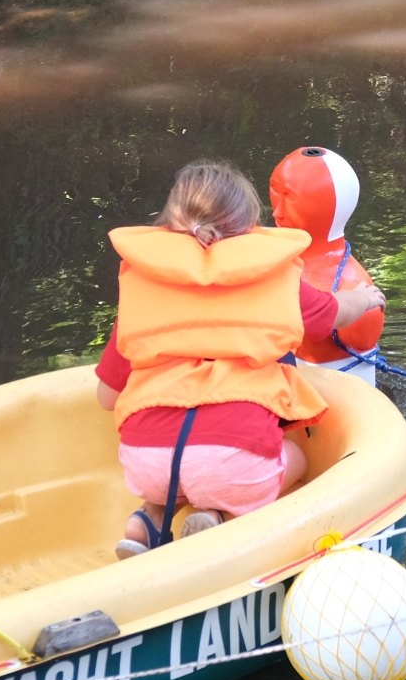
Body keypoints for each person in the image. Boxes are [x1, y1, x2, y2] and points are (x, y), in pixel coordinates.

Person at [96, 160, 387, 557]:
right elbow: (332, 312)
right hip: (235, 461)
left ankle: (146, 521)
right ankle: (221, 516)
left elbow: (107, 398)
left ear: (171, 224)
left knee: (178, 472)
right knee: (295, 459)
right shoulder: (273, 276)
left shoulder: (143, 289)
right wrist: (365, 299)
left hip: (149, 462)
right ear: (248, 226)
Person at [268, 146, 385, 384]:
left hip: (341, 393)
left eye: (290, 197)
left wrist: (361, 306)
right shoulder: (270, 260)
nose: (276, 213)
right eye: (275, 192)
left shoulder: (351, 284)